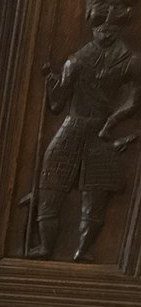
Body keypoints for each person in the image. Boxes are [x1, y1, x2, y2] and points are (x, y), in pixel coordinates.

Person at [29, 0, 141, 262]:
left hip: (90, 129)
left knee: (95, 192)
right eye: (101, 23)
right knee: (51, 187)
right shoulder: (77, 60)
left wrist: (111, 124)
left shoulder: (127, 61)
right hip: (82, 127)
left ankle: (81, 251)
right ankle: (47, 247)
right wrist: (50, 80)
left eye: (111, 24)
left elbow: (134, 102)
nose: (106, 29)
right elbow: (57, 104)